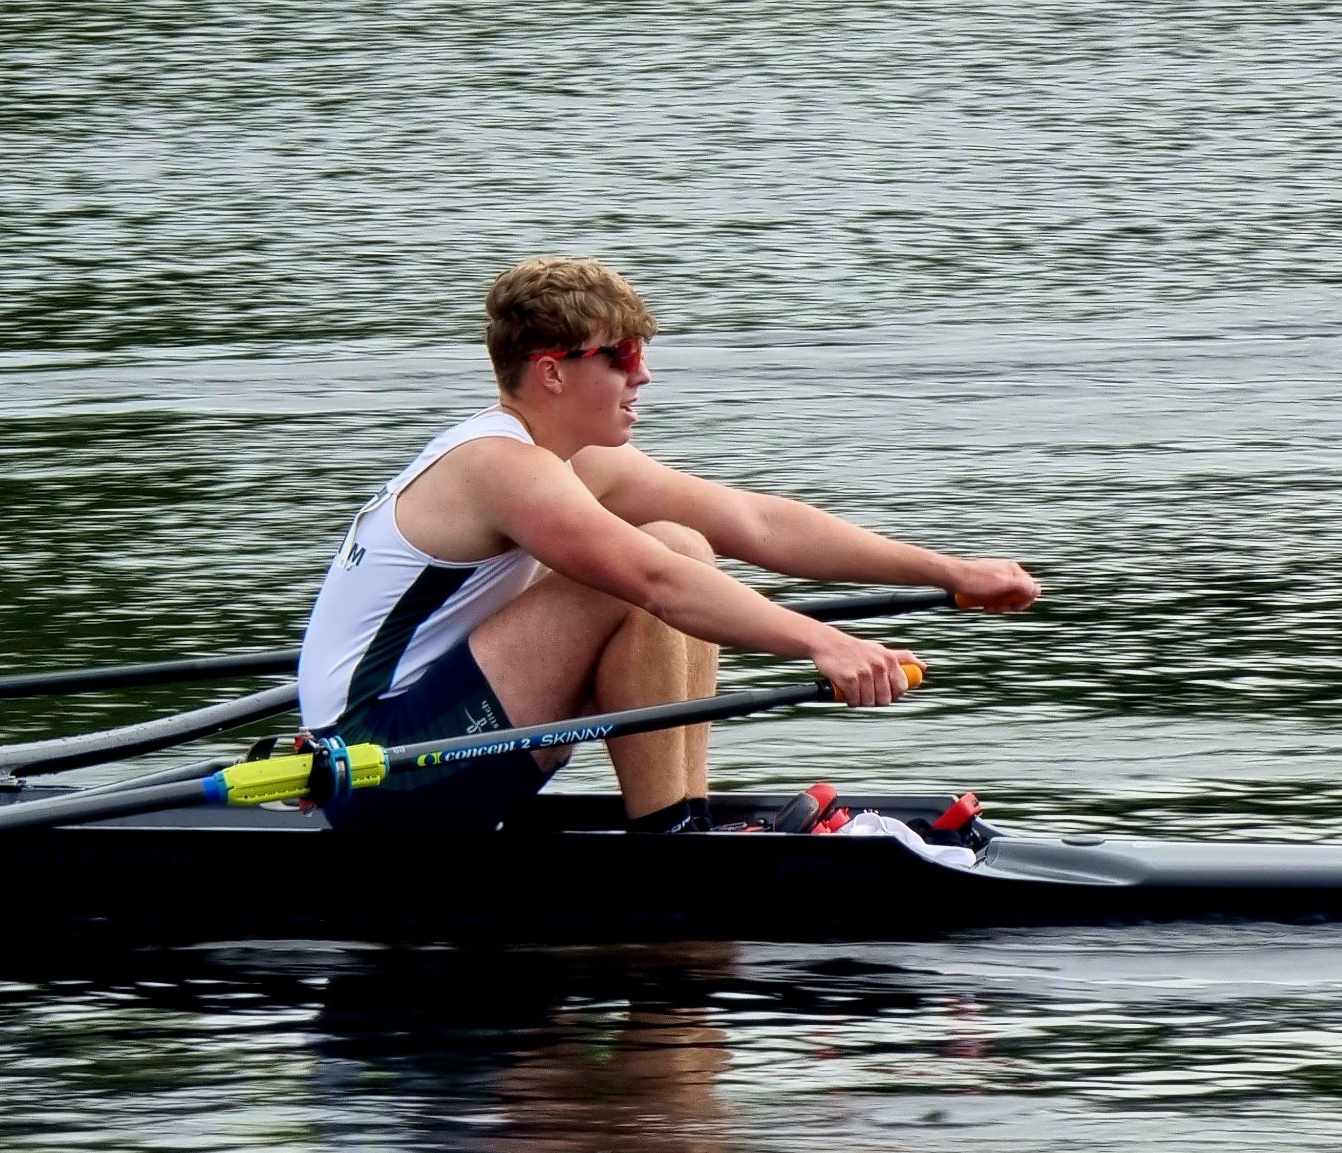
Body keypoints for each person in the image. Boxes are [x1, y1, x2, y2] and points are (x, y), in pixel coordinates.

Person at [296, 256, 1039, 833]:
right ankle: (670, 832)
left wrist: (950, 570)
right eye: (619, 355)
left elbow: (756, 523)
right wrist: (824, 643)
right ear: (552, 371)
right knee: (645, 567)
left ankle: (682, 813)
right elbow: (656, 583)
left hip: (431, 734)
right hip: (374, 765)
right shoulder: (500, 467)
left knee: (682, 537)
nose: (642, 373)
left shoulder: (567, 461)